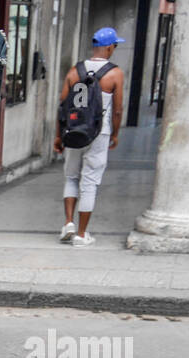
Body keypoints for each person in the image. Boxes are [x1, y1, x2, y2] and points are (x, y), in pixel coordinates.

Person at [55, 27, 125, 247]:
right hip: (98, 133)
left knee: (72, 177)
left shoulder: (75, 71)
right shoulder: (115, 73)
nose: (114, 49)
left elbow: (62, 106)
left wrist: (59, 136)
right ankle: (82, 234)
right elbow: (117, 110)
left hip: (74, 132)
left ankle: (68, 223)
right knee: (90, 182)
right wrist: (114, 133)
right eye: (114, 45)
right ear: (108, 46)